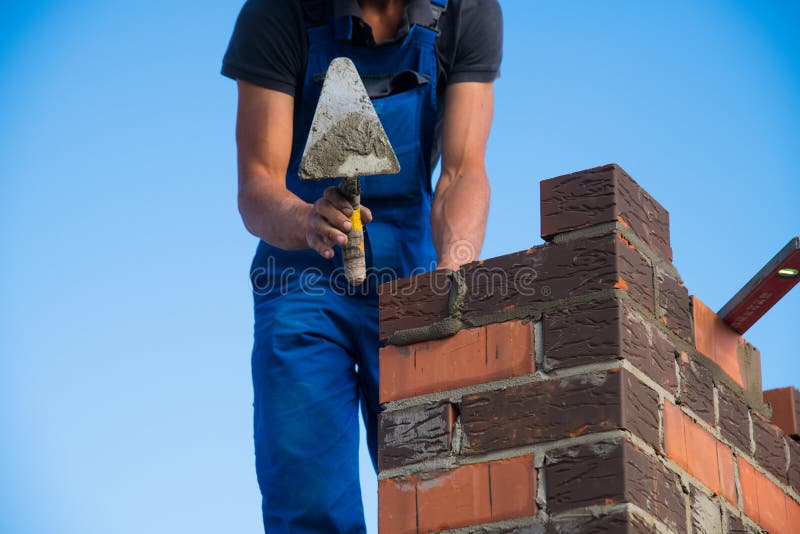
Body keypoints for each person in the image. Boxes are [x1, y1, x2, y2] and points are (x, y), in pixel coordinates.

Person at [221, 0, 502, 531]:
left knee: (437, 488)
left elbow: (464, 170)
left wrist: (454, 269)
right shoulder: (278, 13)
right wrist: (306, 221)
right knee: (309, 499)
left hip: (413, 276)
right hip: (300, 277)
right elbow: (257, 184)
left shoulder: (467, 11)